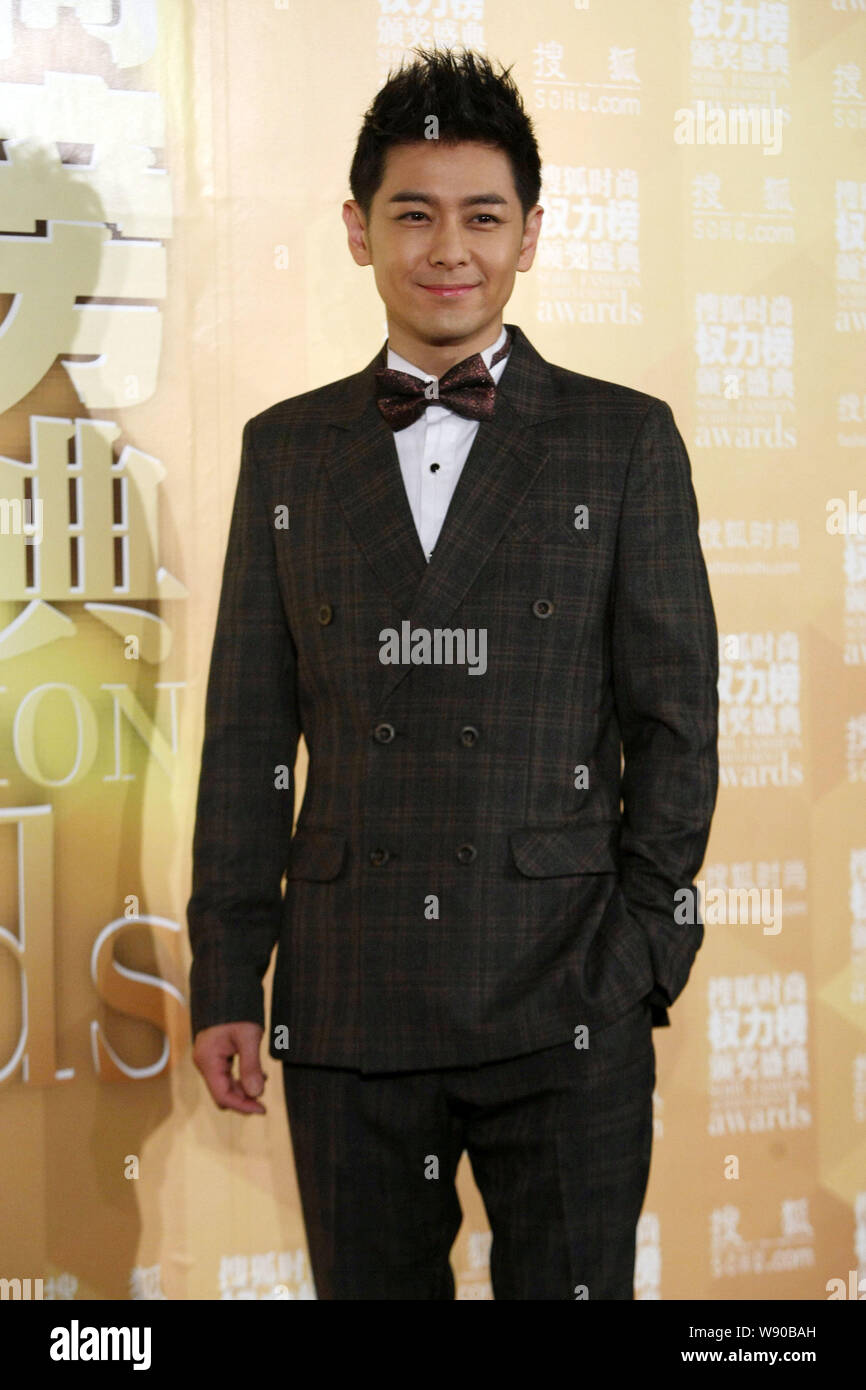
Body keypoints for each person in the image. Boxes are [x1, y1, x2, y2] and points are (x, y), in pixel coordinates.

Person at [187, 46, 719, 1300]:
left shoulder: (619, 440)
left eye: (481, 216)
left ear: (530, 234)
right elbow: (246, 734)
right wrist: (225, 971)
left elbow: (677, 720)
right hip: (350, 989)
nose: (447, 248)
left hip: (565, 991)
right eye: (411, 214)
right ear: (356, 229)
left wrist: (643, 949)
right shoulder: (287, 452)